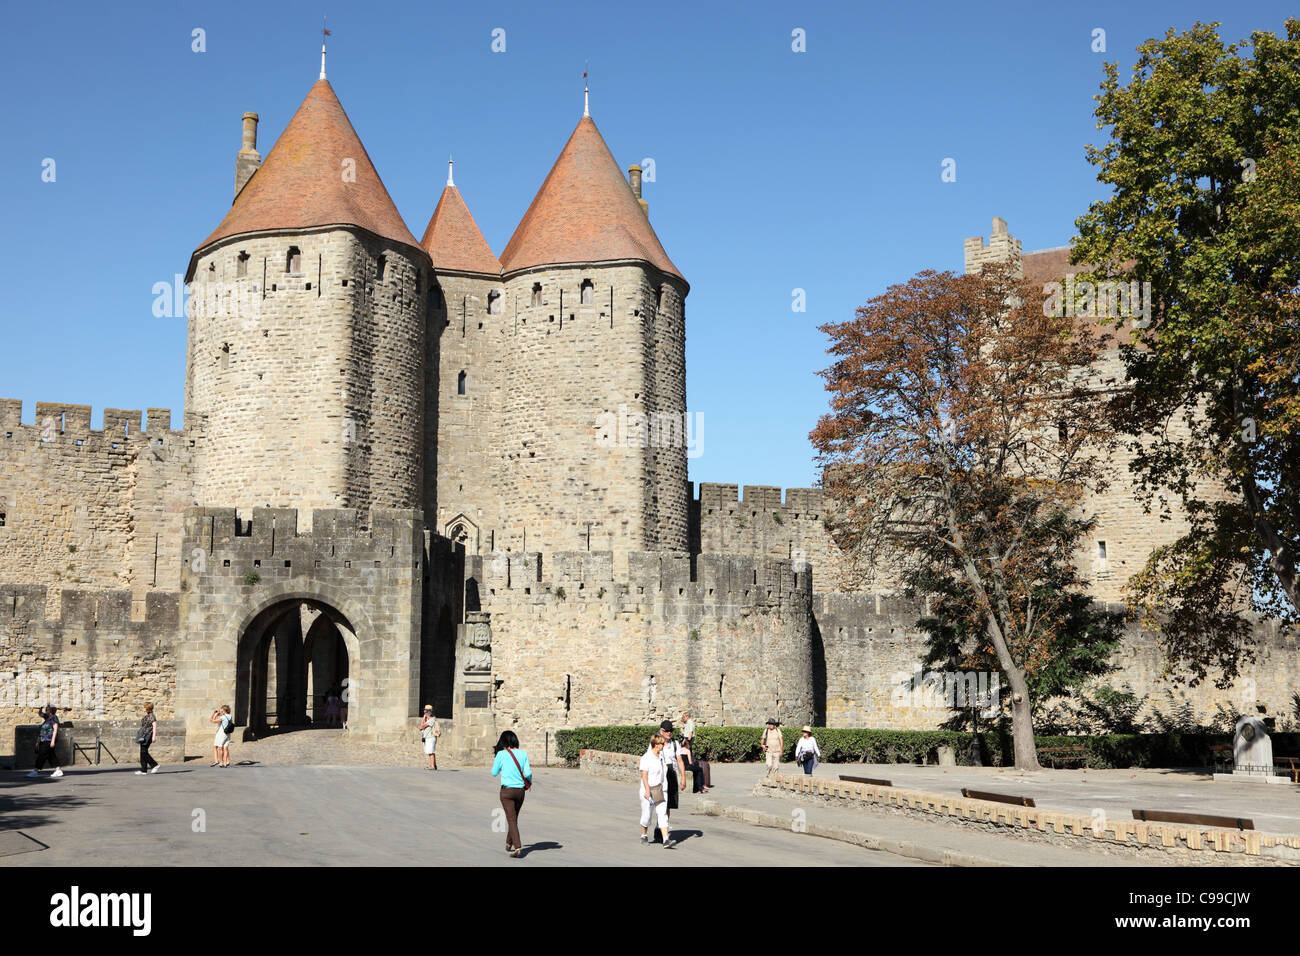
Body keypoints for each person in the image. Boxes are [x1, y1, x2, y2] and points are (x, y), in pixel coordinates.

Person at [491, 730, 532, 858]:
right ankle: (509, 843)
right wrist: (528, 782)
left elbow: (494, 772)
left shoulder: (501, 755)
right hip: (520, 791)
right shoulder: (523, 754)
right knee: (513, 818)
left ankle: (518, 847)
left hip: (507, 791)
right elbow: (528, 773)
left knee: (511, 819)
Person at [639, 734, 676, 848]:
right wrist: (647, 790)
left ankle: (666, 840)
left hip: (661, 789)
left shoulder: (661, 756)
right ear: (655, 745)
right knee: (647, 815)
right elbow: (644, 775)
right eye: (661, 743)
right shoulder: (647, 757)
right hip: (649, 790)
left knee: (662, 814)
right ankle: (644, 835)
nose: (663, 745)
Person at [658, 721, 686, 831]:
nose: (669, 733)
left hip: (671, 774)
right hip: (660, 774)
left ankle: (662, 828)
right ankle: (659, 827)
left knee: (668, 804)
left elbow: (680, 761)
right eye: (667, 731)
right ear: (661, 731)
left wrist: (683, 777)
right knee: (660, 804)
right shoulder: (655, 743)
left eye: (671, 731)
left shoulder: (675, 744)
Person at [28, 705, 63, 778]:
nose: (46, 711)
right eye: (46, 710)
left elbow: (55, 729)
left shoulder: (54, 718)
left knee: (42, 754)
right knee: (51, 755)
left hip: (49, 740)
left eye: (47, 710)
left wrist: (53, 741)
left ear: (51, 711)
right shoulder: (47, 718)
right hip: (43, 740)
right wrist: (40, 707)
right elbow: (40, 714)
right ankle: (58, 770)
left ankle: (35, 770)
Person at [135, 702, 160, 775]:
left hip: (148, 735)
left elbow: (154, 726)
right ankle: (144, 770)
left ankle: (154, 765)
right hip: (143, 736)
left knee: (144, 751)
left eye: (144, 707)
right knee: (142, 752)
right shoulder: (147, 715)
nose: (143, 708)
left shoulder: (152, 716)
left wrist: (153, 737)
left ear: (147, 708)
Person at [420, 704, 441, 770]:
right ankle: (433, 764)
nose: (424, 711)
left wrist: (423, 718)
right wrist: (424, 718)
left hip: (430, 737)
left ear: (428, 712)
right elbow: (421, 726)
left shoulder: (432, 719)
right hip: (427, 737)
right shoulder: (428, 719)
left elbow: (422, 726)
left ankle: (432, 766)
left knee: (430, 752)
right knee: (430, 751)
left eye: (425, 710)